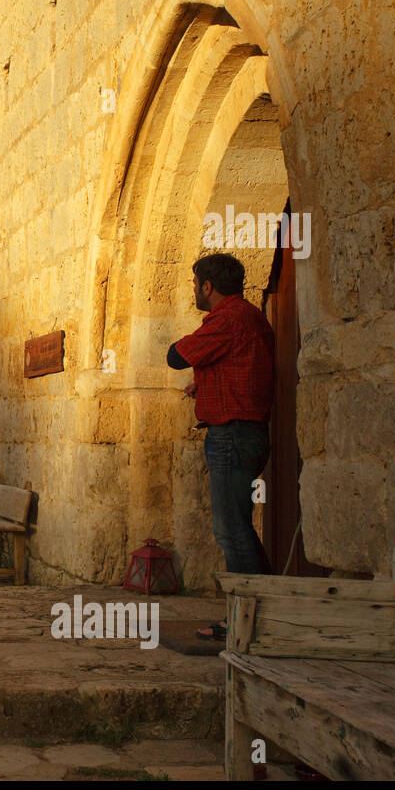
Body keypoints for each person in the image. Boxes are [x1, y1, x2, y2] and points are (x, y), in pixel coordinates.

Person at [166, 253, 275, 641]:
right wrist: (208, 380)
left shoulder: (226, 319)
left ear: (208, 286)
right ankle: (266, 610)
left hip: (231, 436)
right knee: (239, 527)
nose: (194, 290)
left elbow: (176, 356)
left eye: (195, 283)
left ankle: (245, 620)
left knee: (230, 530)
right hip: (248, 431)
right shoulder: (251, 317)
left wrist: (197, 360)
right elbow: (243, 367)